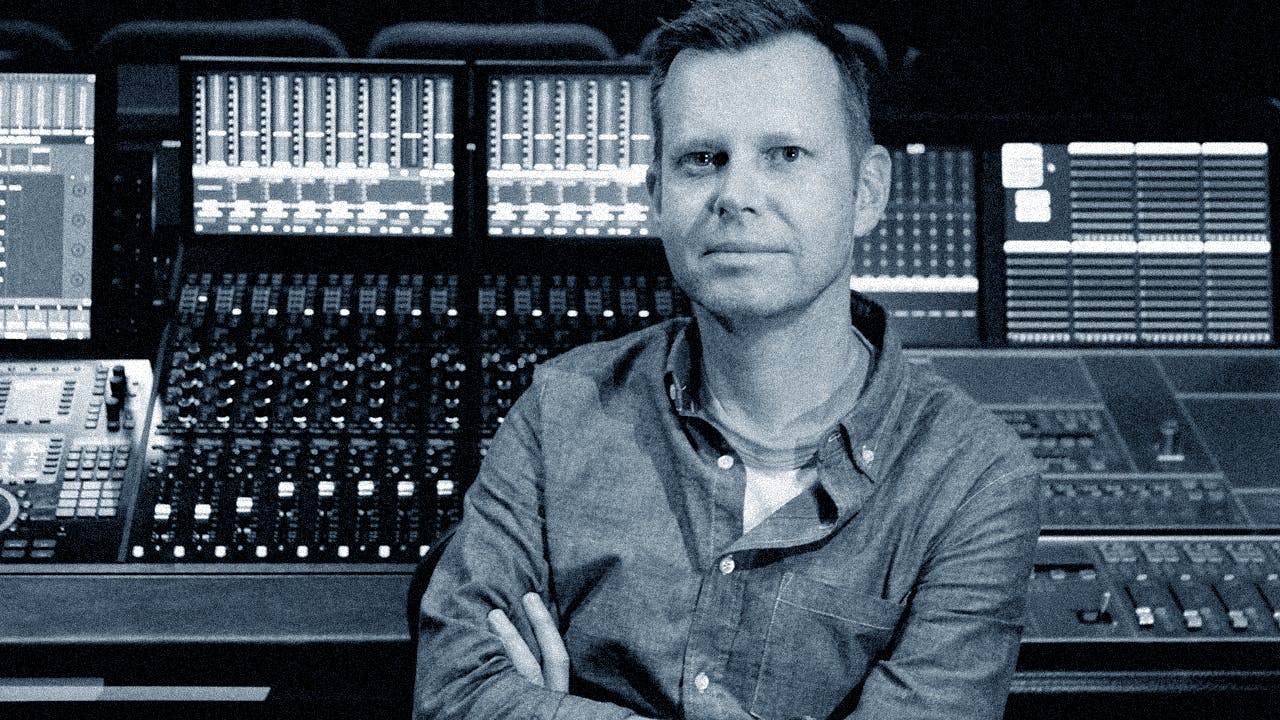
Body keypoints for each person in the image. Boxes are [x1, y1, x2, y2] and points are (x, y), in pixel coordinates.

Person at [414, 1, 1041, 718]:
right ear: (657, 198)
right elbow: (456, 692)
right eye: (702, 159)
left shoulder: (974, 479)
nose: (736, 195)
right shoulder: (558, 411)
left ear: (868, 192)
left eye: (786, 155)